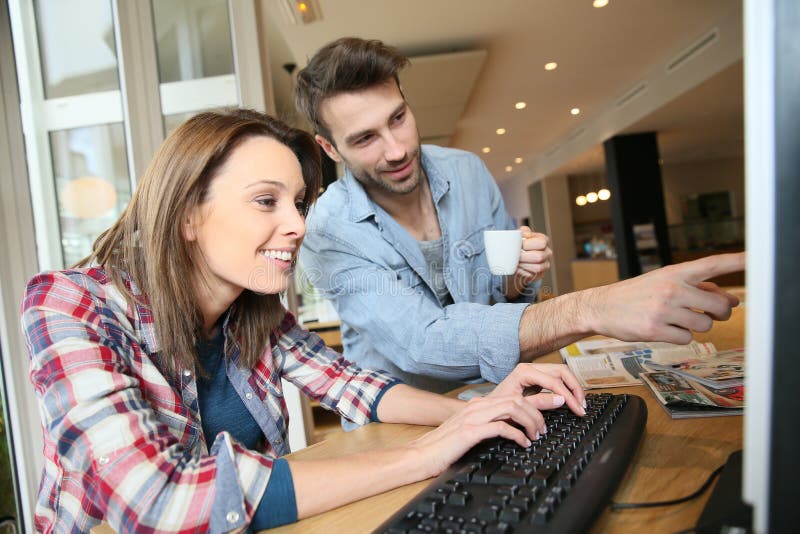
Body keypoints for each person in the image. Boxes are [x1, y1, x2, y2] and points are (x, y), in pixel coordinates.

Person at [21, 109, 586, 532]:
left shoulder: (253, 312)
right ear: (188, 214)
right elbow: (164, 498)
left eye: (299, 203)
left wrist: (476, 412)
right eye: (267, 201)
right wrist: (425, 453)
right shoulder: (68, 307)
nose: (297, 226)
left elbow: (352, 385)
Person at [295, 37, 745, 395]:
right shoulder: (327, 230)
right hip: (402, 420)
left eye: (397, 118)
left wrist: (517, 280)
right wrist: (592, 306)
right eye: (365, 138)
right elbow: (422, 343)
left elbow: (503, 298)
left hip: (497, 390)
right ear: (330, 149)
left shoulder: (466, 171)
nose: (396, 150)